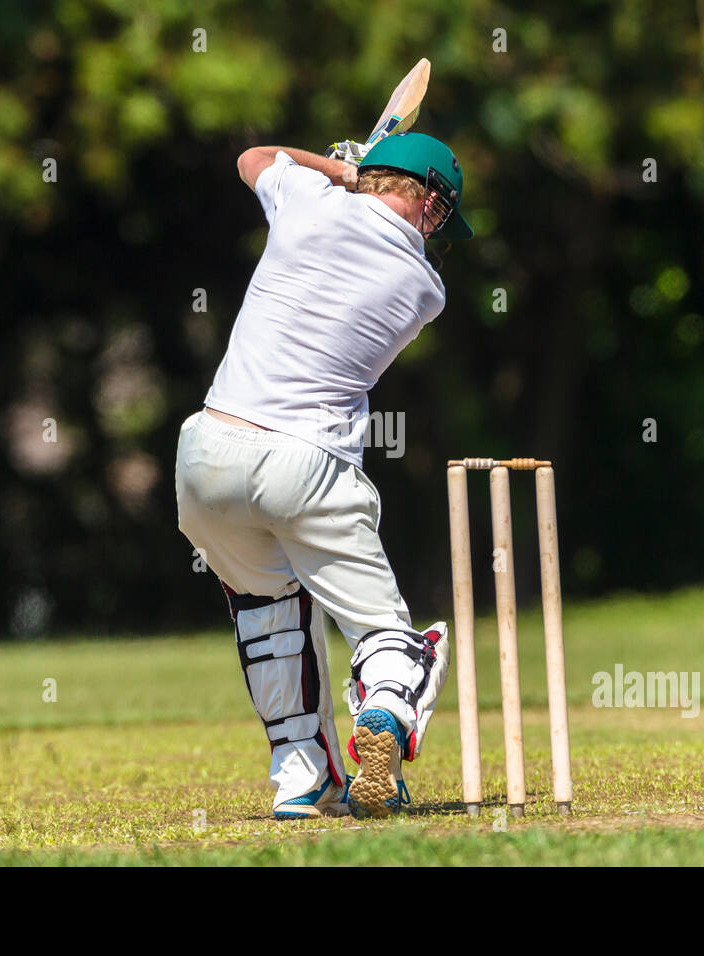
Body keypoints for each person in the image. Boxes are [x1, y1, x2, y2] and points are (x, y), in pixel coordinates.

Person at [175, 132, 474, 819]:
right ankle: (386, 713)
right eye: (438, 215)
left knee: (267, 617)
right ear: (426, 199)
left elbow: (252, 156)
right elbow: (368, 220)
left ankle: (301, 779)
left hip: (207, 457)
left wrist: (335, 166)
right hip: (306, 465)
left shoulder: (303, 202)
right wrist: (354, 174)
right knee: (393, 640)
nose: (437, 232)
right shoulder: (425, 286)